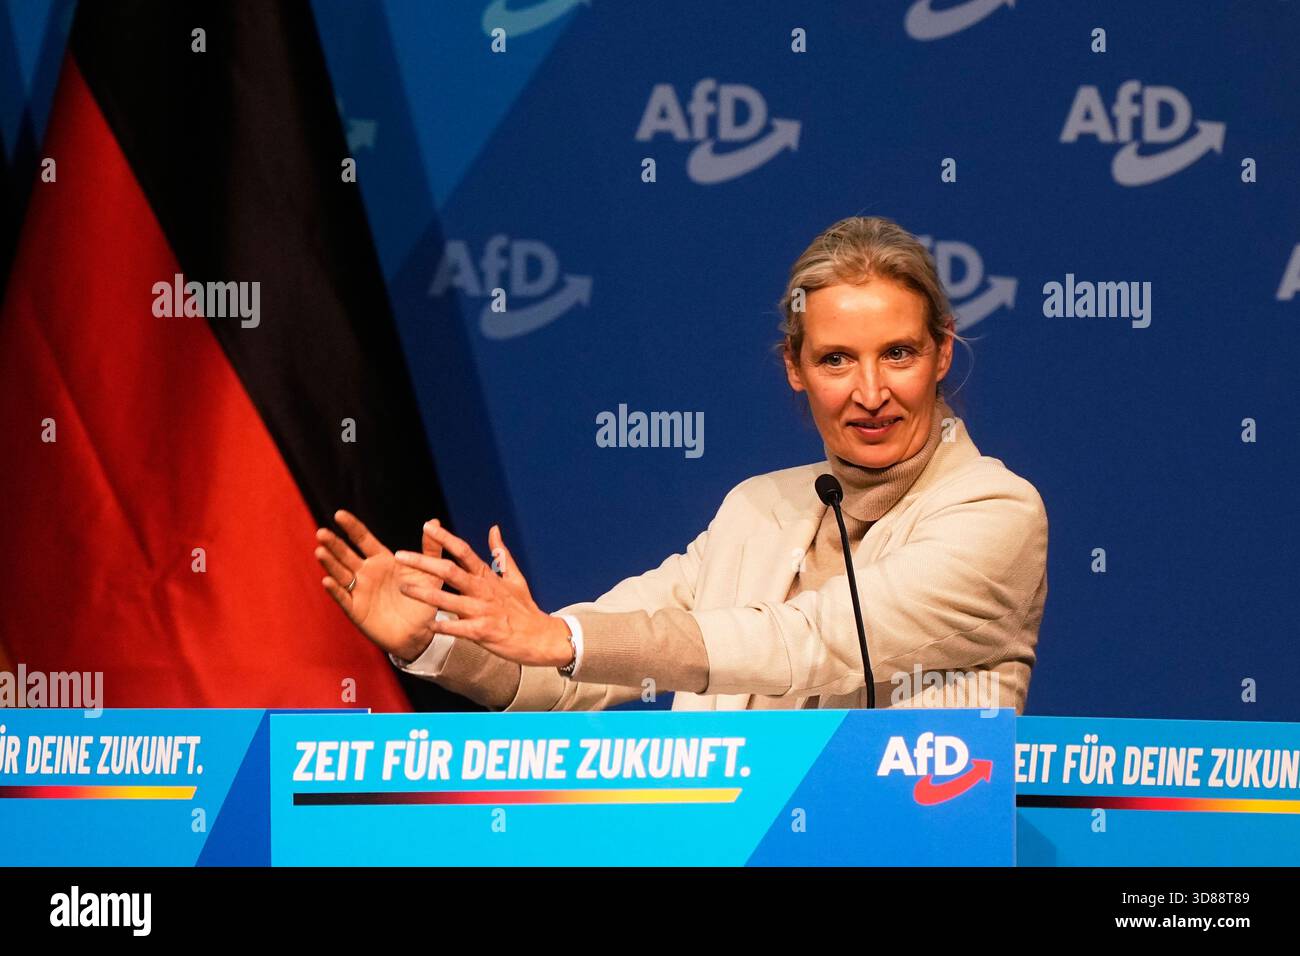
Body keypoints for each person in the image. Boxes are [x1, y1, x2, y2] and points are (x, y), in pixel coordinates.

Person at [313, 216, 1048, 714]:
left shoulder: (994, 513)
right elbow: (579, 672)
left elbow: (811, 641)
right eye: (835, 359)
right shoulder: (758, 510)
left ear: (943, 351)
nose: (870, 392)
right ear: (794, 367)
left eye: (898, 353)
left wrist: (564, 638)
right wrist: (431, 640)